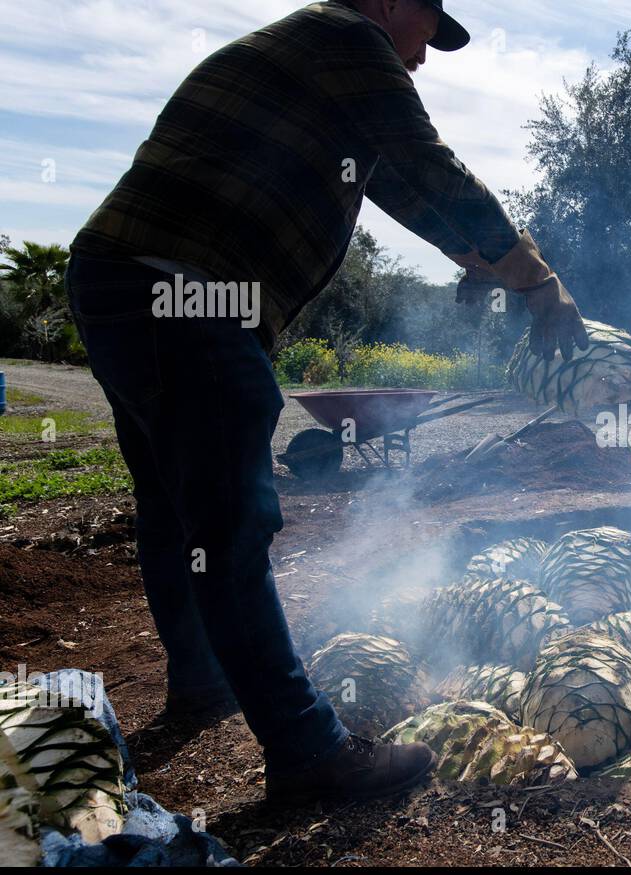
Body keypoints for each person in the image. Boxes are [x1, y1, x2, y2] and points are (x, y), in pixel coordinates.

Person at [64, 0, 586, 804]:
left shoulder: (311, 62)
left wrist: (481, 261)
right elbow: (429, 165)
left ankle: (203, 682)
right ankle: (310, 754)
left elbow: (406, 195)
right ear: (392, 4)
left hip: (121, 275)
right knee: (235, 523)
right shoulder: (349, 36)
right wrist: (535, 277)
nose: (423, 57)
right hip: (183, 288)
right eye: (426, 34)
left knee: (174, 508)